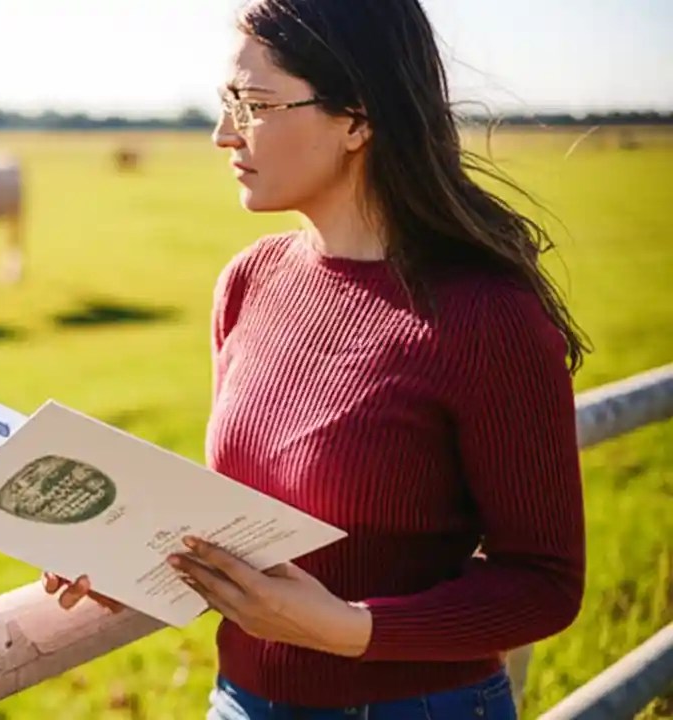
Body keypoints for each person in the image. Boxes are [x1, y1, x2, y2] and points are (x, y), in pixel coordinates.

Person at [43, 1, 589, 717]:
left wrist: (346, 630)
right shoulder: (249, 282)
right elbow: (248, 531)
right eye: (226, 102)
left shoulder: (486, 316)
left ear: (359, 119)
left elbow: (543, 582)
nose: (222, 134)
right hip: (240, 700)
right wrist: (137, 564)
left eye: (256, 104)